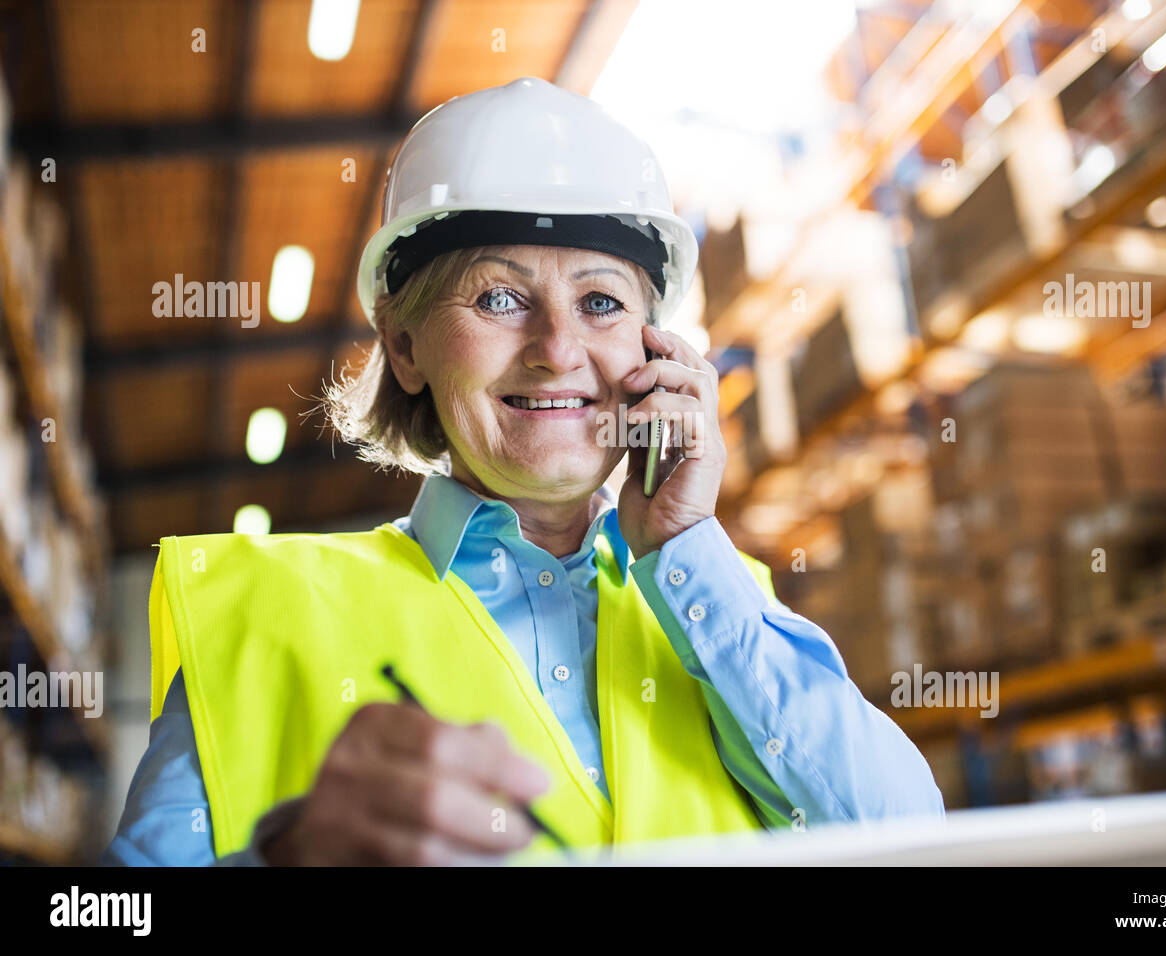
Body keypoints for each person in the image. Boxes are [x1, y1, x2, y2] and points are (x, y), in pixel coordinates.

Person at [102, 77, 943, 867]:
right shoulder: (263, 612)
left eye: (602, 302)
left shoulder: (723, 611)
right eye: (499, 298)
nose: (557, 350)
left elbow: (912, 843)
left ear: (658, 354)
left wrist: (686, 545)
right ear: (405, 347)